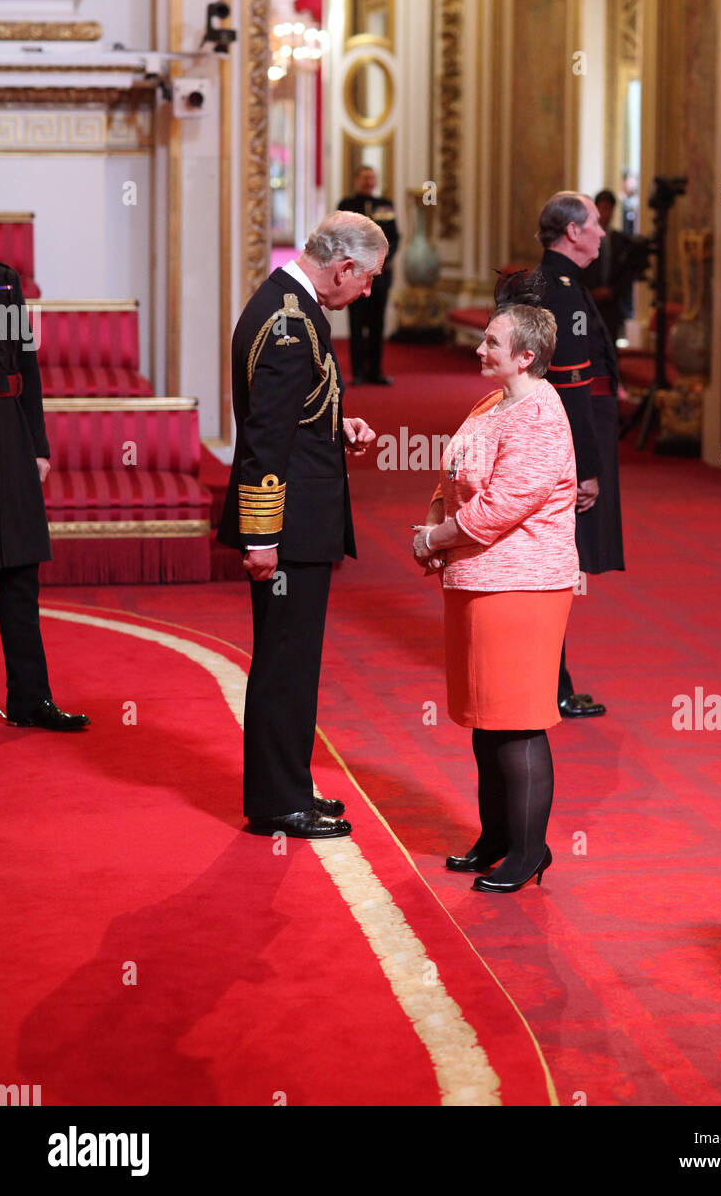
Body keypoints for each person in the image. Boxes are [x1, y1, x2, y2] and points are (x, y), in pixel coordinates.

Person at [217, 212, 387, 839]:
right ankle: (276, 803)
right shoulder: (291, 321)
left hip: (297, 521)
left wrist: (335, 425)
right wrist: (262, 537)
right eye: (367, 279)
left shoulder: (289, 302)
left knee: (293, 661)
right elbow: (263, 440)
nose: (367, 291)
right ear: (343, 267)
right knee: (285, 663)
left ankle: (290, 787)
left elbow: (289, 413)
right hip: (288, 530)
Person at [413, 304, 577, 893]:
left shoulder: (539, 413)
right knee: (486, 719)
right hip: (475, 579)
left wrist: (435, 538)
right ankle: (497, 838)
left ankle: (529, 852)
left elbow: (501, 508)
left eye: (491, 343)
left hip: (521, 586)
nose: (479, 349)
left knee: (518, 722)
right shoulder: (494, 402)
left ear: (526, 356)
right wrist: (432, 529)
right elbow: (449, 477)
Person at [495, 192, 625, 719]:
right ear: (572, 232)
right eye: (594, 224)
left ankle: (551, 677)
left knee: (548, 565)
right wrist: (587, 471)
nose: (601, 232)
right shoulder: (564, 293)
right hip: (566, 448)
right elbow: (573, 389)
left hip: (543, 443)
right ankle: (551, 683)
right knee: (555, 568)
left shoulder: (548, 283)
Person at [0, 262, 89, 731]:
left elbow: (26, 361)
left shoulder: (4, 279)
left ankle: (30, 699)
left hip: (9, 434)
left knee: (19, 571)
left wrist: (38, 444)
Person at [337, 165, 400, 385]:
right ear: (356, 180)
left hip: (380, 276)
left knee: (377, 324)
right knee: (356, 323)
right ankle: (358, 373)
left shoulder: (385, 205)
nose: (369, 181)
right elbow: (342, 237)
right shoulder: (347, 205)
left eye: (372, 178)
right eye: (364, 177)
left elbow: (393, 236)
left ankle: (375, 371)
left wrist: (381, 263)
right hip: (355, 274)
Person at [581, 189, 635, 347]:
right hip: (588, 303)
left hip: (612, 305)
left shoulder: (620, 240)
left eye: (608, 209)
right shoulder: (584, 238)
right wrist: (591, 291)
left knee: (609, 347)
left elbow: (626, 273)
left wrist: (612, 291)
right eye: (601, 208)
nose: (605, 213)